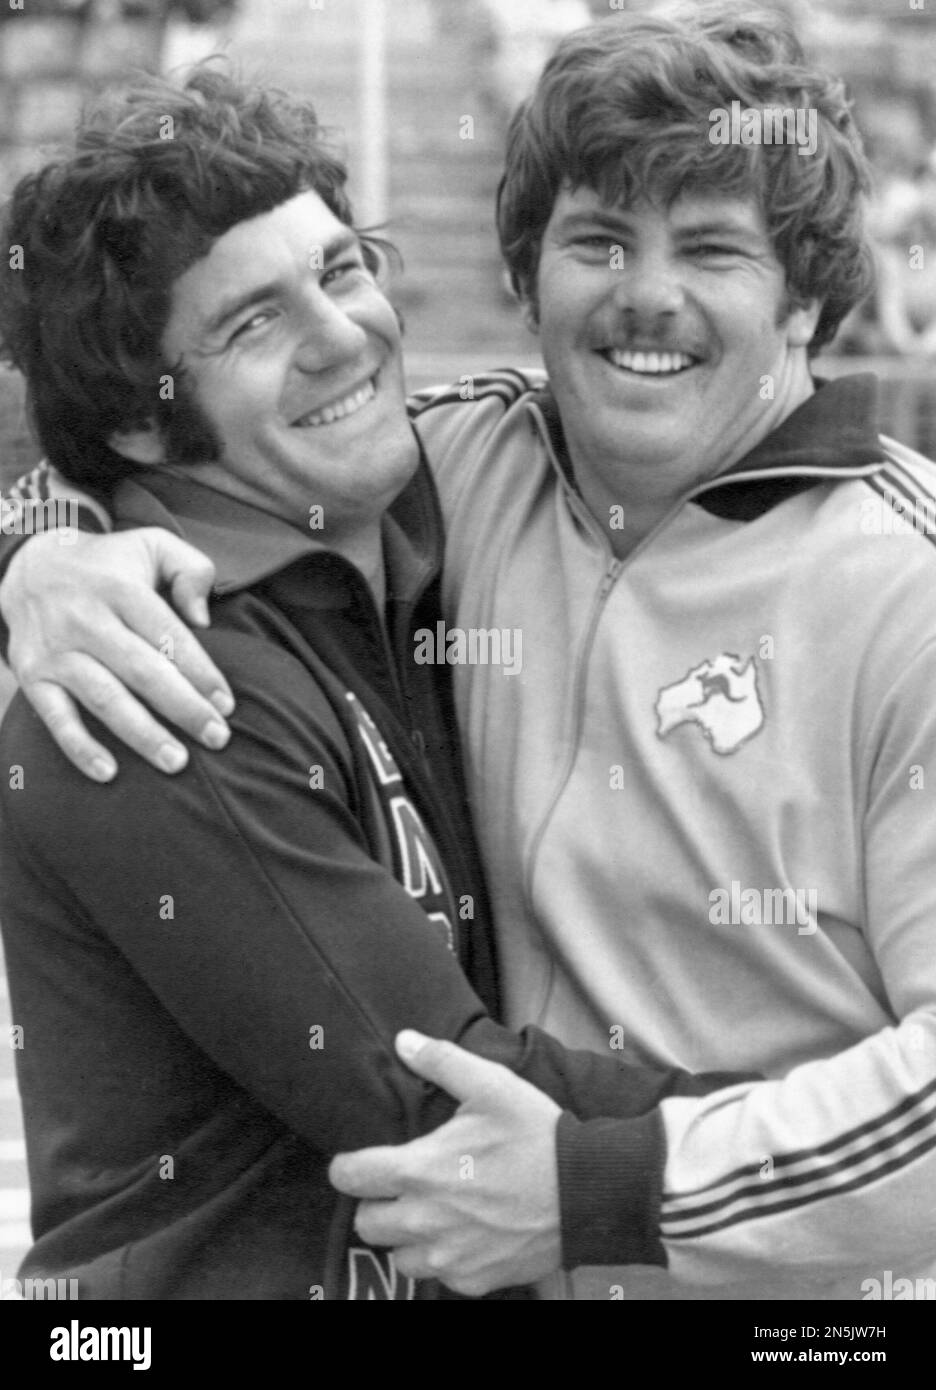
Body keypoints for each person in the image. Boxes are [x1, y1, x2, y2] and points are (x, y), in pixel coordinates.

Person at [4, 3, 936, 1301]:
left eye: (714, 249)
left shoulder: (907, 590)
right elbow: (153, 439)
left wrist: (615, 1182)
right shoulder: (445, 469)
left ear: (811, 305)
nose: (646, 296)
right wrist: (41, 552)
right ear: (527, 274)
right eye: (598, 240)